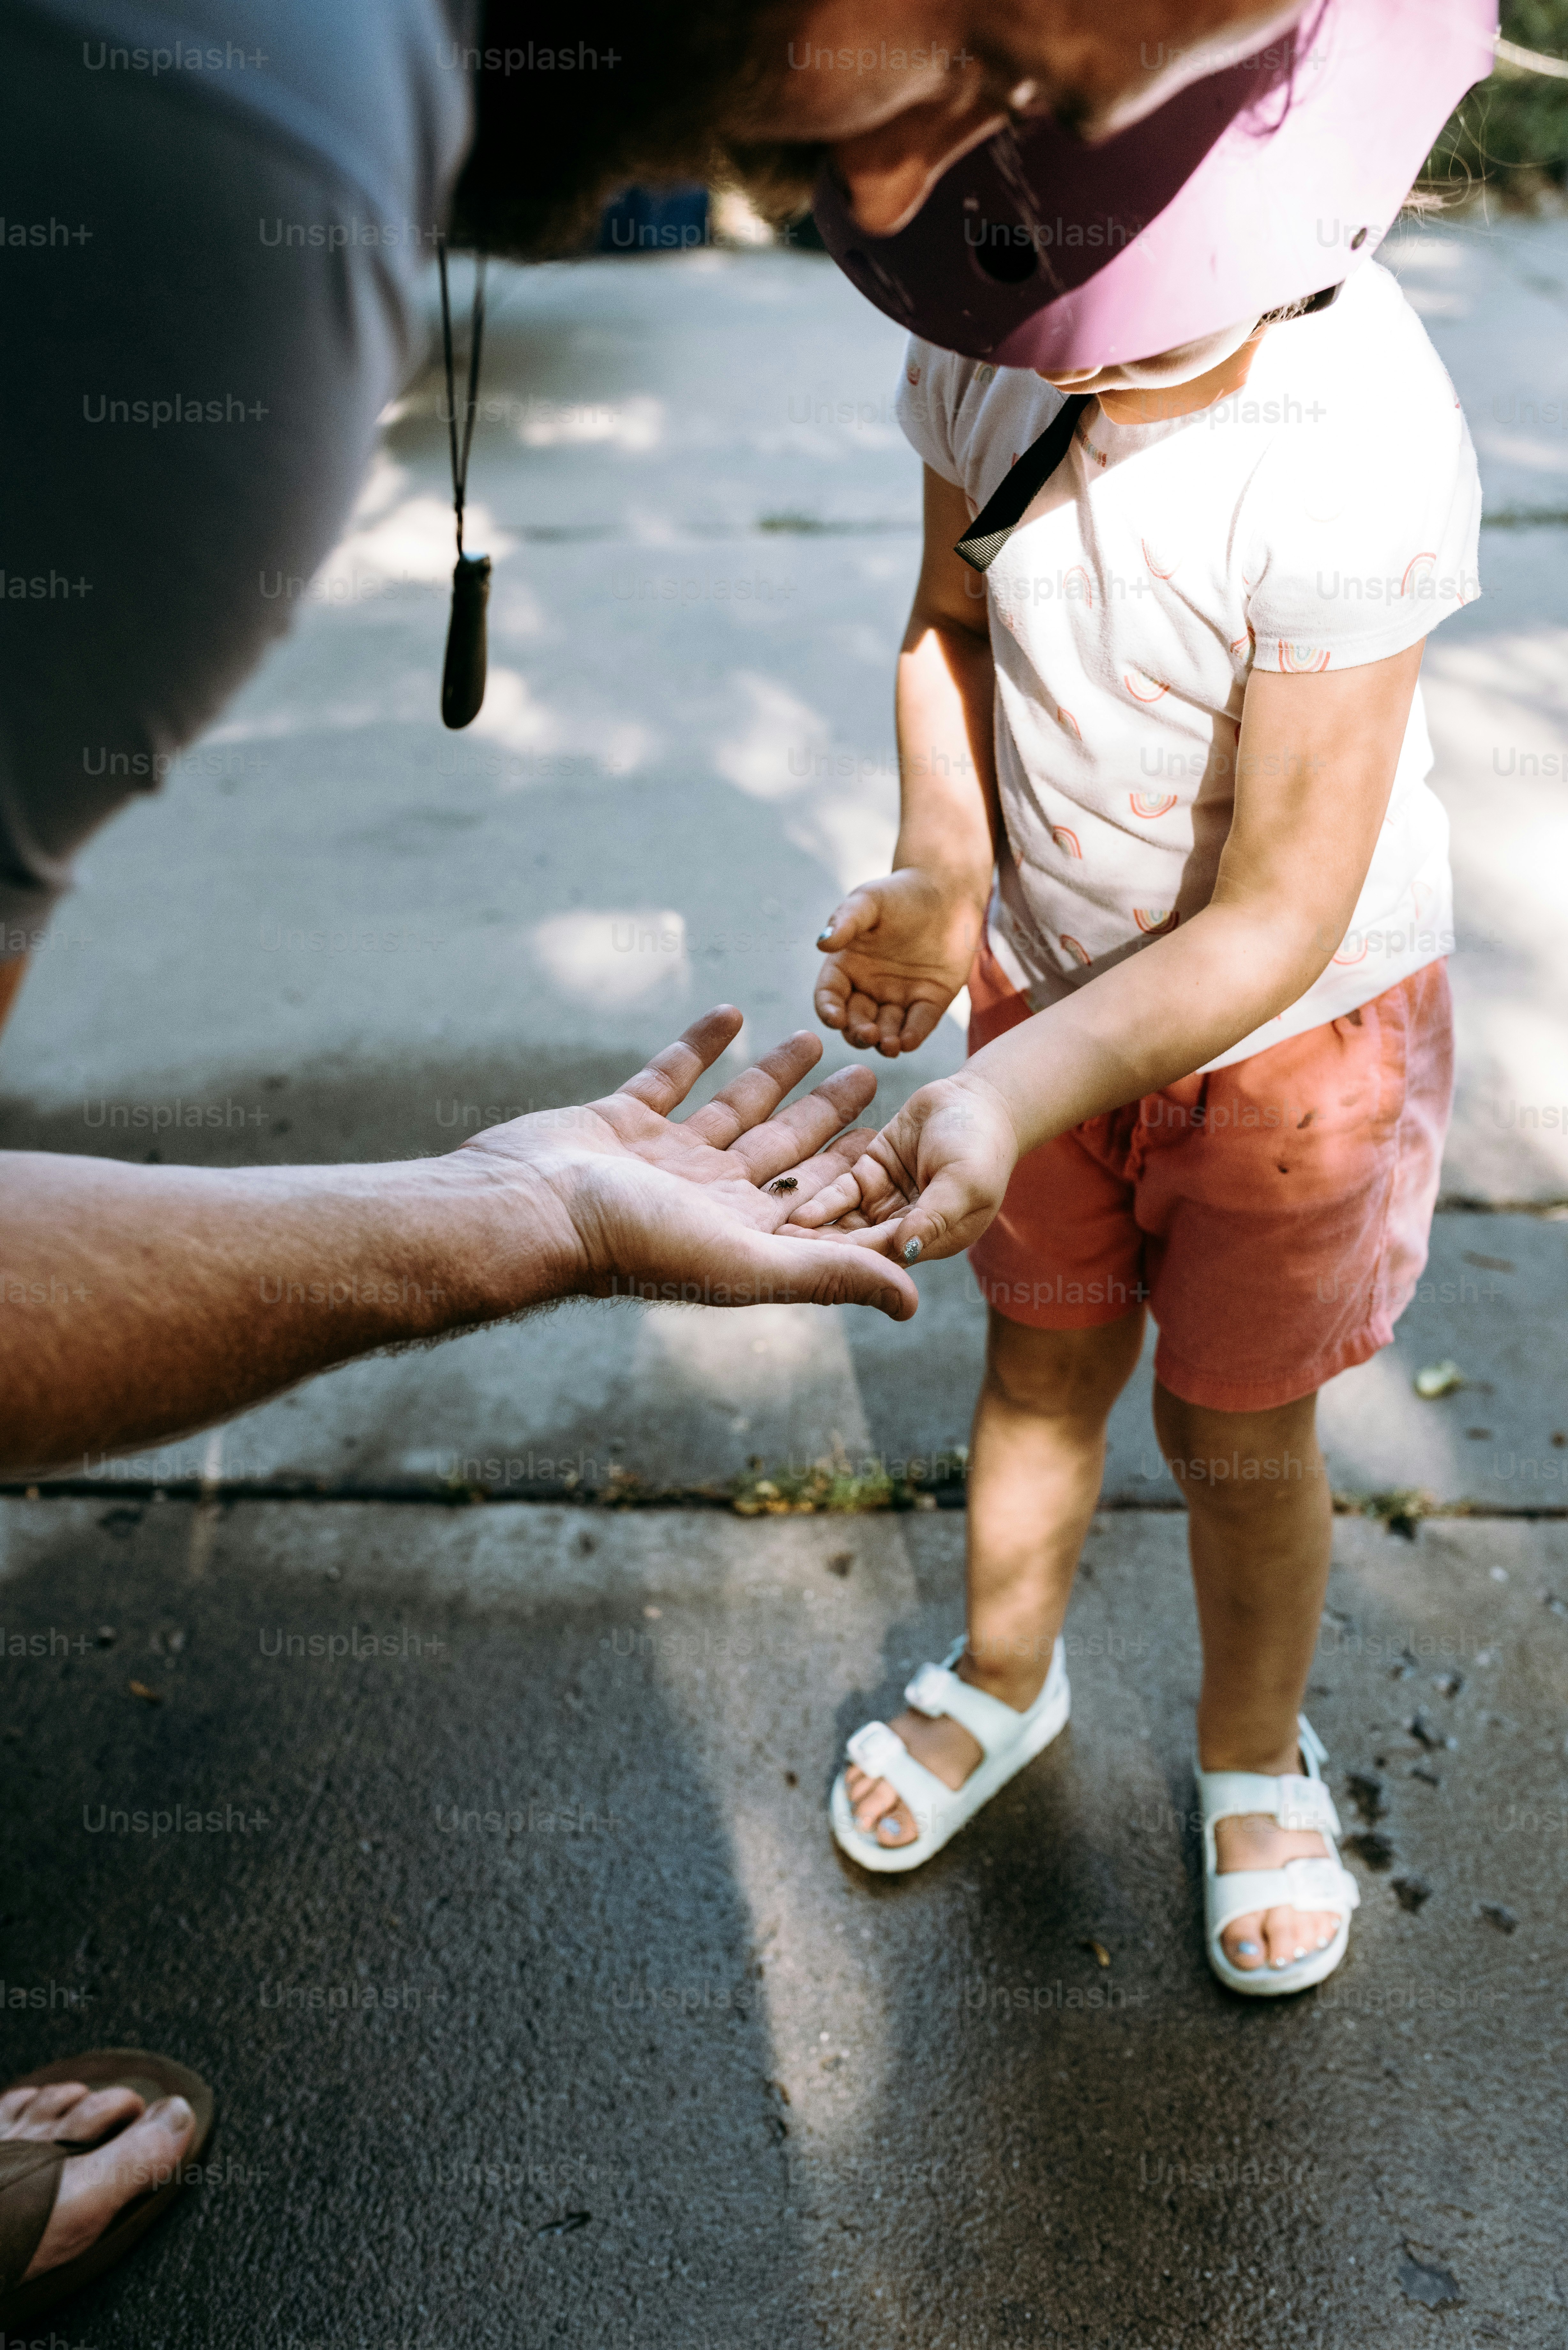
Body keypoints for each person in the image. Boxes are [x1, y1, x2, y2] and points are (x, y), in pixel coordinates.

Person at [799, 229, 1480, 1993]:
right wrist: (947, 873)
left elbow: (1277, 912)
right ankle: (1009, 1679)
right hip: (1039, 975)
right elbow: (949, 626)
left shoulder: (1359, 437)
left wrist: (1000, 1086)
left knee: (1238, 1436)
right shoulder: (997, 331)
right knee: (1038, 1365)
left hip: (1296, 1052)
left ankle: (1256, 1755)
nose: (1079, 340)